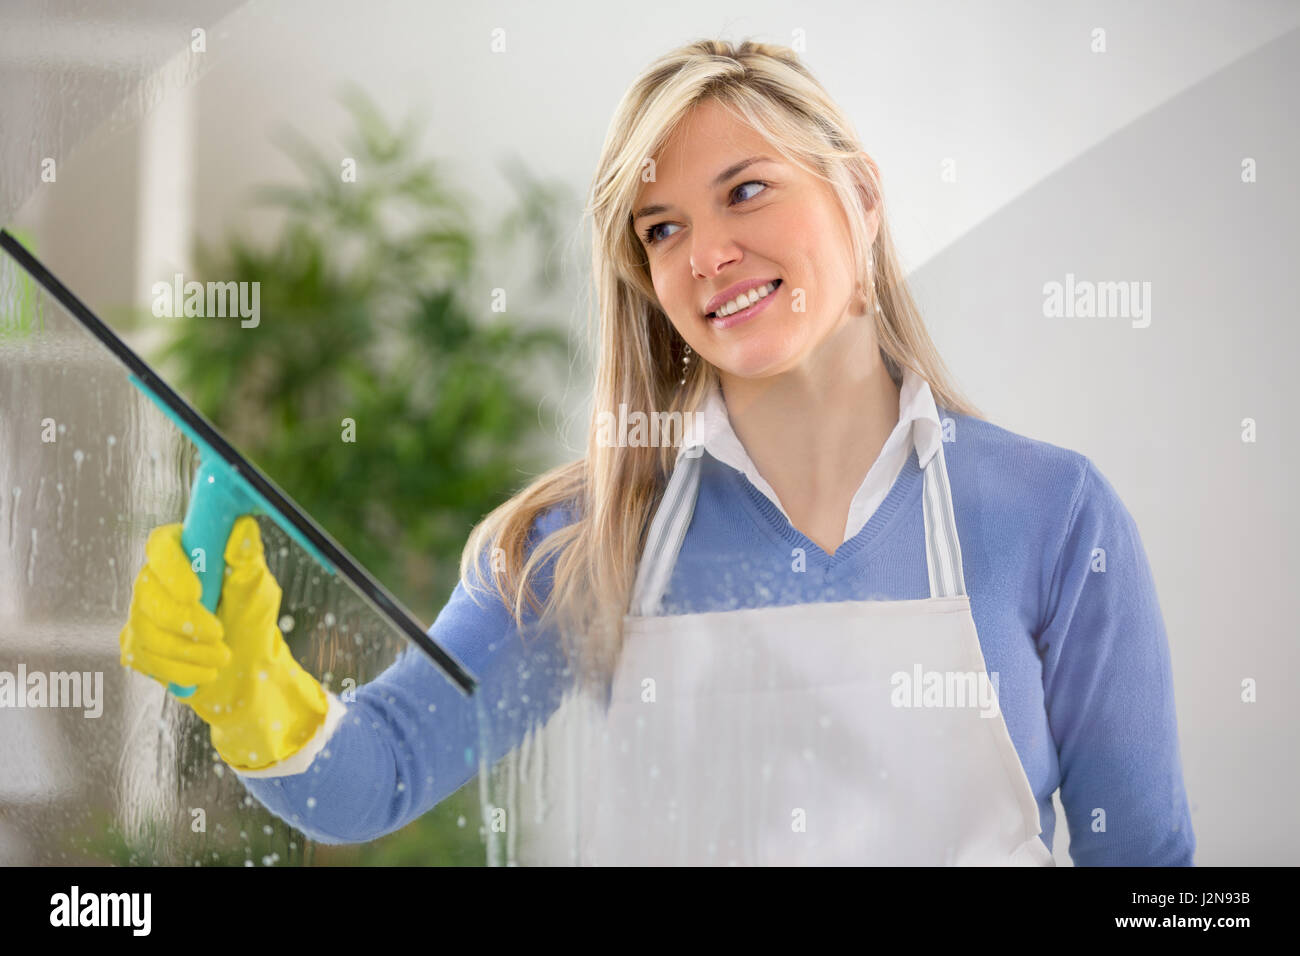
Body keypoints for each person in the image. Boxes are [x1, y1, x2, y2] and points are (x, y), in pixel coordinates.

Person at [119, 38, 1195, 866]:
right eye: (661, 228)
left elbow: (1150, 879)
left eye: (745, 189)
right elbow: (374, 776)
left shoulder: (1049, 515)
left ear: (859, 195)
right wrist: (249, 689)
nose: (708, 252)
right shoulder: (588, 546)